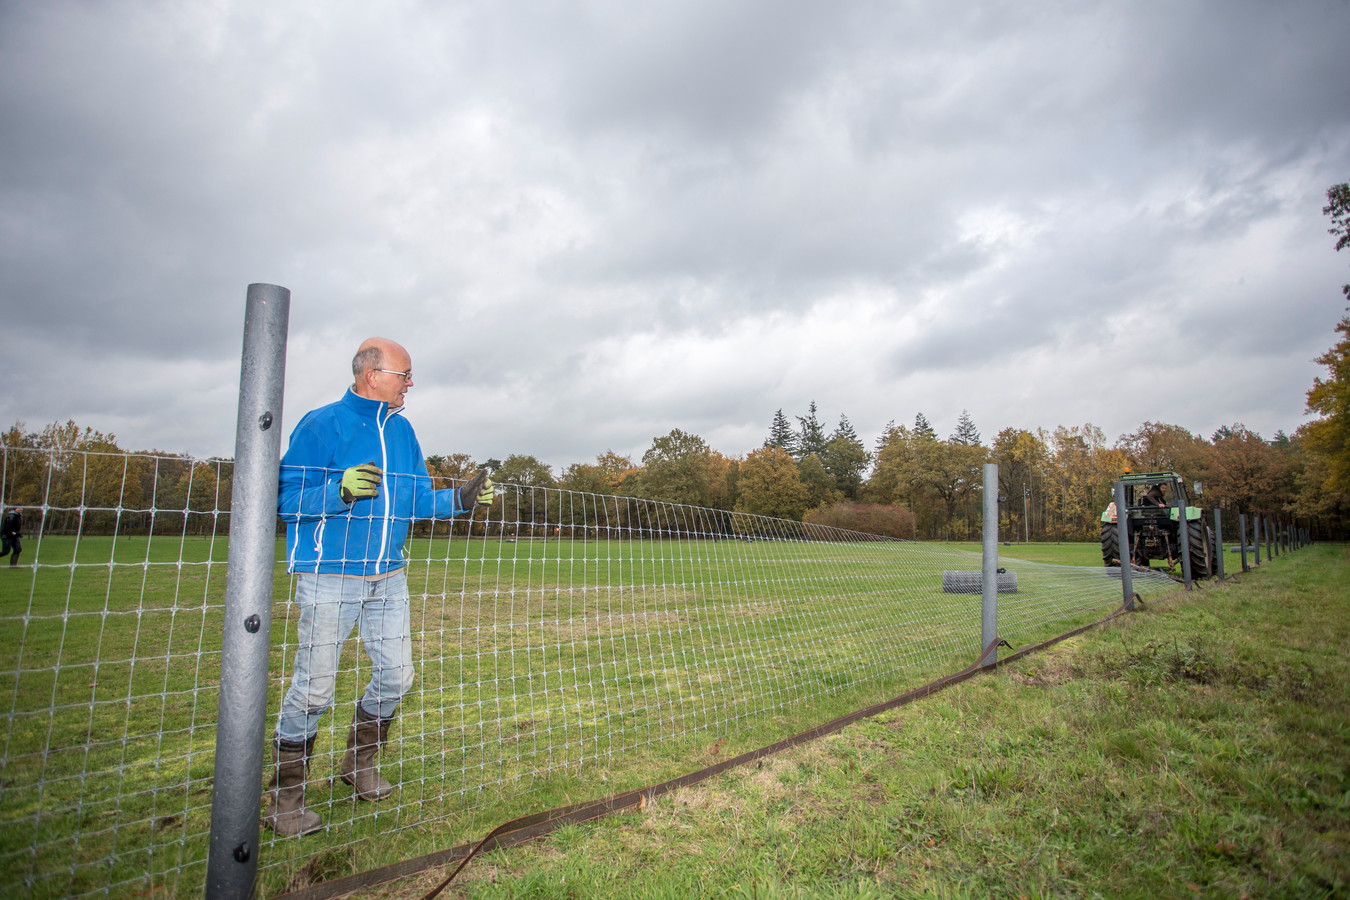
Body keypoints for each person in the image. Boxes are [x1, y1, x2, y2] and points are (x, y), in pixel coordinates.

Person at [266, 337, 494, 836]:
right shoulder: (322, 424)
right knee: (315, 688)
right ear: (372, 373)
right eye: (404, 374)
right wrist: (339, 491)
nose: (410, 383)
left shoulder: (403, 430)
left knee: (398, 677)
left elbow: (414, 500)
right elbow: (282, 499)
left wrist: (460, 498)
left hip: (389, 576)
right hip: (331, 575)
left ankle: (357, 764)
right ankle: (285, 799)